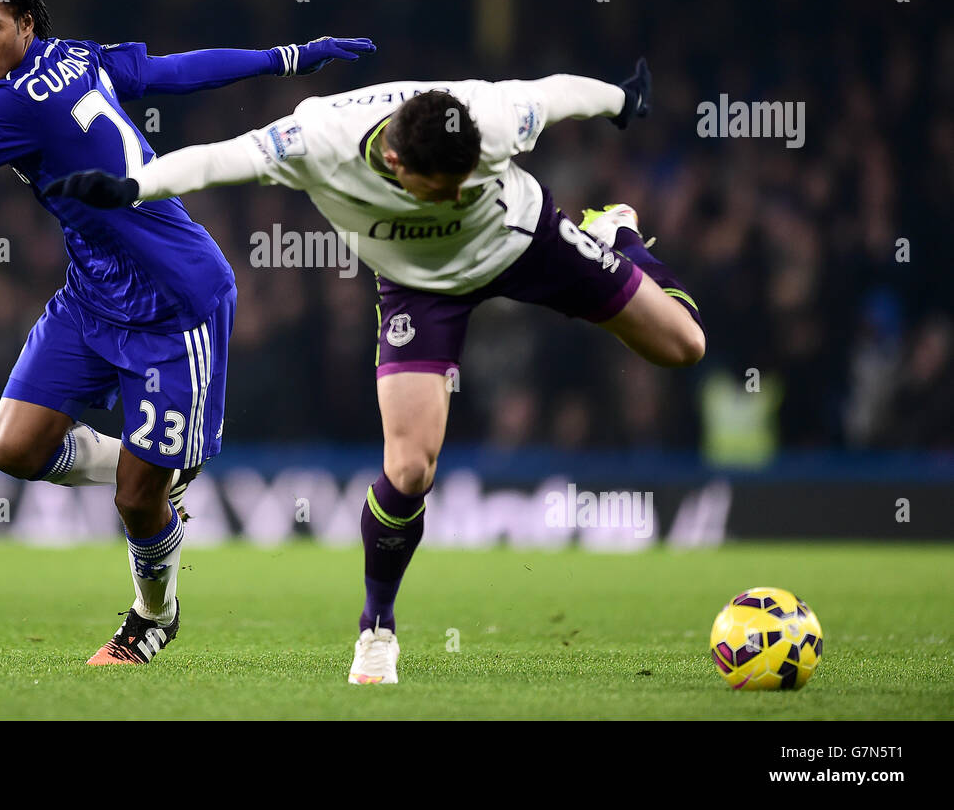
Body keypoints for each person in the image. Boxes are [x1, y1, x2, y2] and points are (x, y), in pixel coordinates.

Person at [44, 60, 705, 682]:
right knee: (410, 469)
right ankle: (377, 631)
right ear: (392, 159)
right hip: (421, 290)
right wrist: (133, 187)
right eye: (436, 188)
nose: (451, 198)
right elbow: (220, 160)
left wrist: (621, 99)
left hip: (523, 241)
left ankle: (617, 235)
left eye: (464, 180)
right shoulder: (317, 140)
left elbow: (558, 93)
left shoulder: (489, 115)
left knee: (684, 347)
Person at [0, 0, 374, 664]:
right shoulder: (76, 58)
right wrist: (283, 58)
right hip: (92, 297)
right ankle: (162, 467)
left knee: (136, 502)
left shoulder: (12, 105)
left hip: (175, 303)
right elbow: (175, 72)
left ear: (25, 24)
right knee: (12, 448)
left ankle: (152, 616)